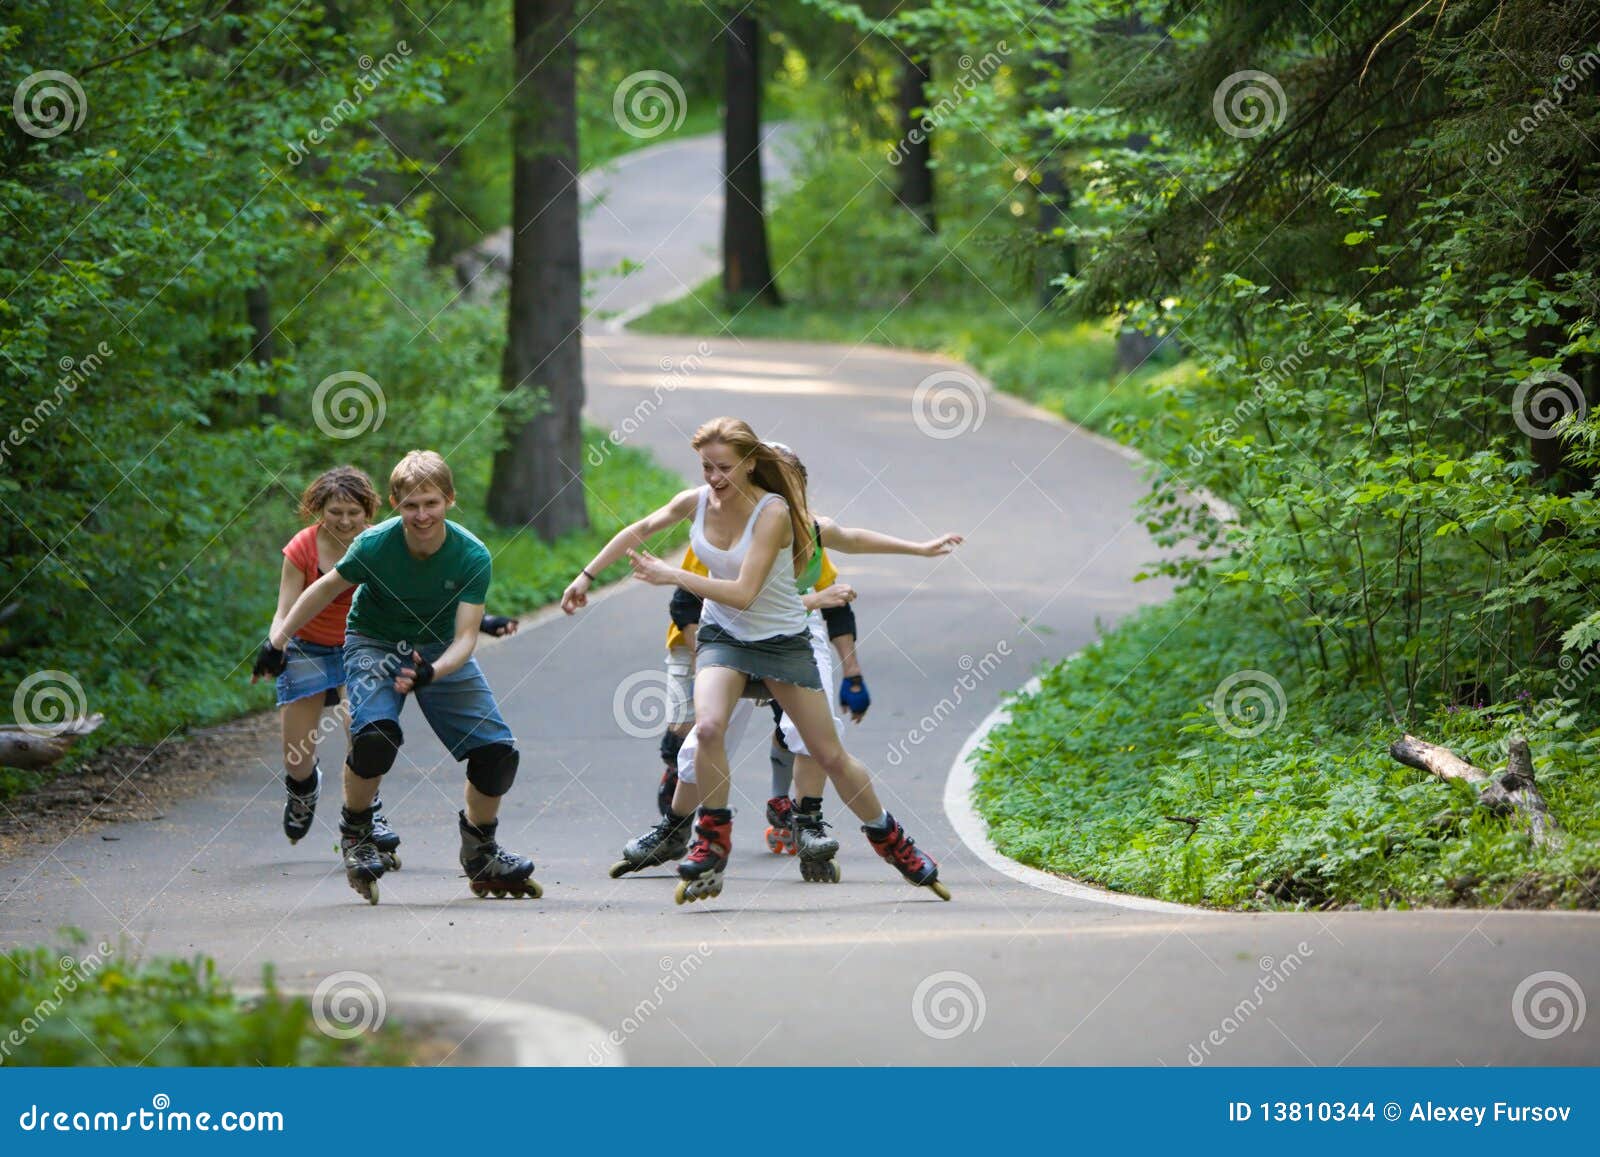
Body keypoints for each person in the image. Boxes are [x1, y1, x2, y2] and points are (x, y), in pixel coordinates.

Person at [563, 417, 956, 903]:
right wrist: (586, 576)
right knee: (706, 729)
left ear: (751, 464)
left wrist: (672, 575)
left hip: (782, 640)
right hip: (723, 637)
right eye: (706, 466)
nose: (713, 478)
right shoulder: (697, 501)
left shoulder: (773, 512)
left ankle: (894, 843)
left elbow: (746, 592)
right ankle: (710, 841)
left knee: (829, 754)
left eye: (724, 467)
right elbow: (641, 529)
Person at [267, 450, 538, 905]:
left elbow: (467, 635)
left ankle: (481, 850)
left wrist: (434, 670)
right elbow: (325, 588)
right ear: (395, 503)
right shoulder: (375, 544)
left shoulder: (471, 554)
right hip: (373, 640)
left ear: (450, 500)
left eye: (431, 503)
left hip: (439, 650)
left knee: (496, 754)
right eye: (411, 505)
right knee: (376, 737)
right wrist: (278, 642)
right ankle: (357, 831)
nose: (421, 515)